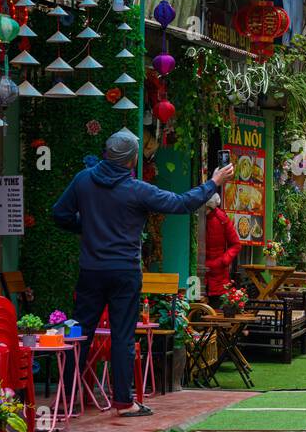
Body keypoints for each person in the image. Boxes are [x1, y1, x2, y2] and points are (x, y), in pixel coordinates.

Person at [53, 129, 234, 417]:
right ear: (131, 160)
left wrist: (87, 227)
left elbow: (59, 214)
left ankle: (66, 396)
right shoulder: (137, 190)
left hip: (91, 270)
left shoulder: (83, 180)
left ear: (106, 154)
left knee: (79, 333)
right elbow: (182, 203)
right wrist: (213, 182)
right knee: (123, 336)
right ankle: (124, 402)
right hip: (124, 271)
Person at [204, 189, 243, 305]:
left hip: (218, 273)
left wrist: (224, 260)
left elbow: (236, 244)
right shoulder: (198, 218)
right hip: (200, 271)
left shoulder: (222, 219)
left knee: (217, 306)